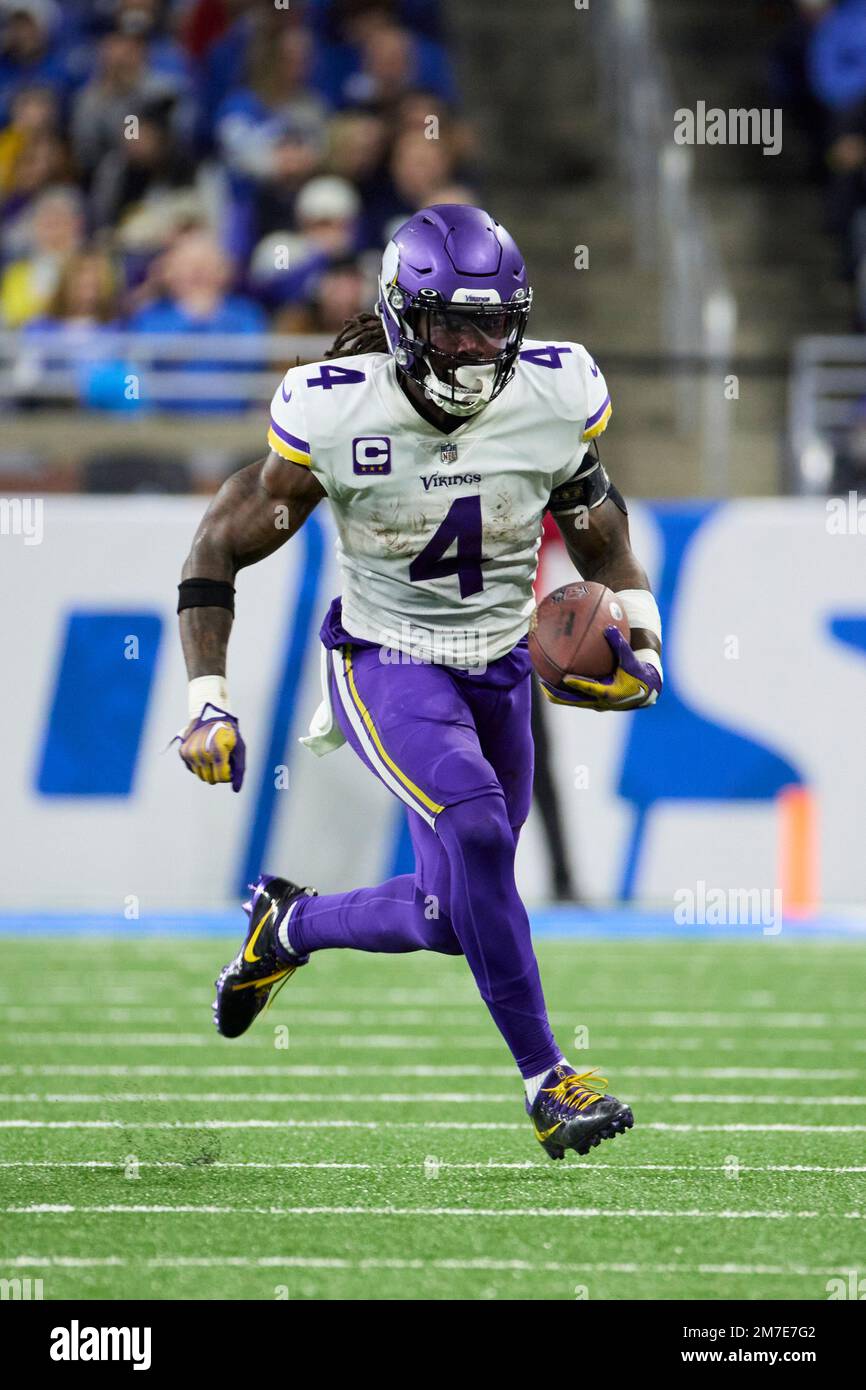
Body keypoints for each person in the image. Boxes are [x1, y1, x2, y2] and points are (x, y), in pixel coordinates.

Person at [175, 205, 664, 1160]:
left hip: (501, 666)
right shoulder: (338, 411)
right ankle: (548, 1080)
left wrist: (642, 641)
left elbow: (603, 534)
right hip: (386, 658)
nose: (479, 347)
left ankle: (289, 925)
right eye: (454, 324)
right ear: (404, 319)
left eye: (495, 323)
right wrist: (208, 700)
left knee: (451, 915)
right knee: (477, 826)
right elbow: (218, 545)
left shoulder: (554, 396)